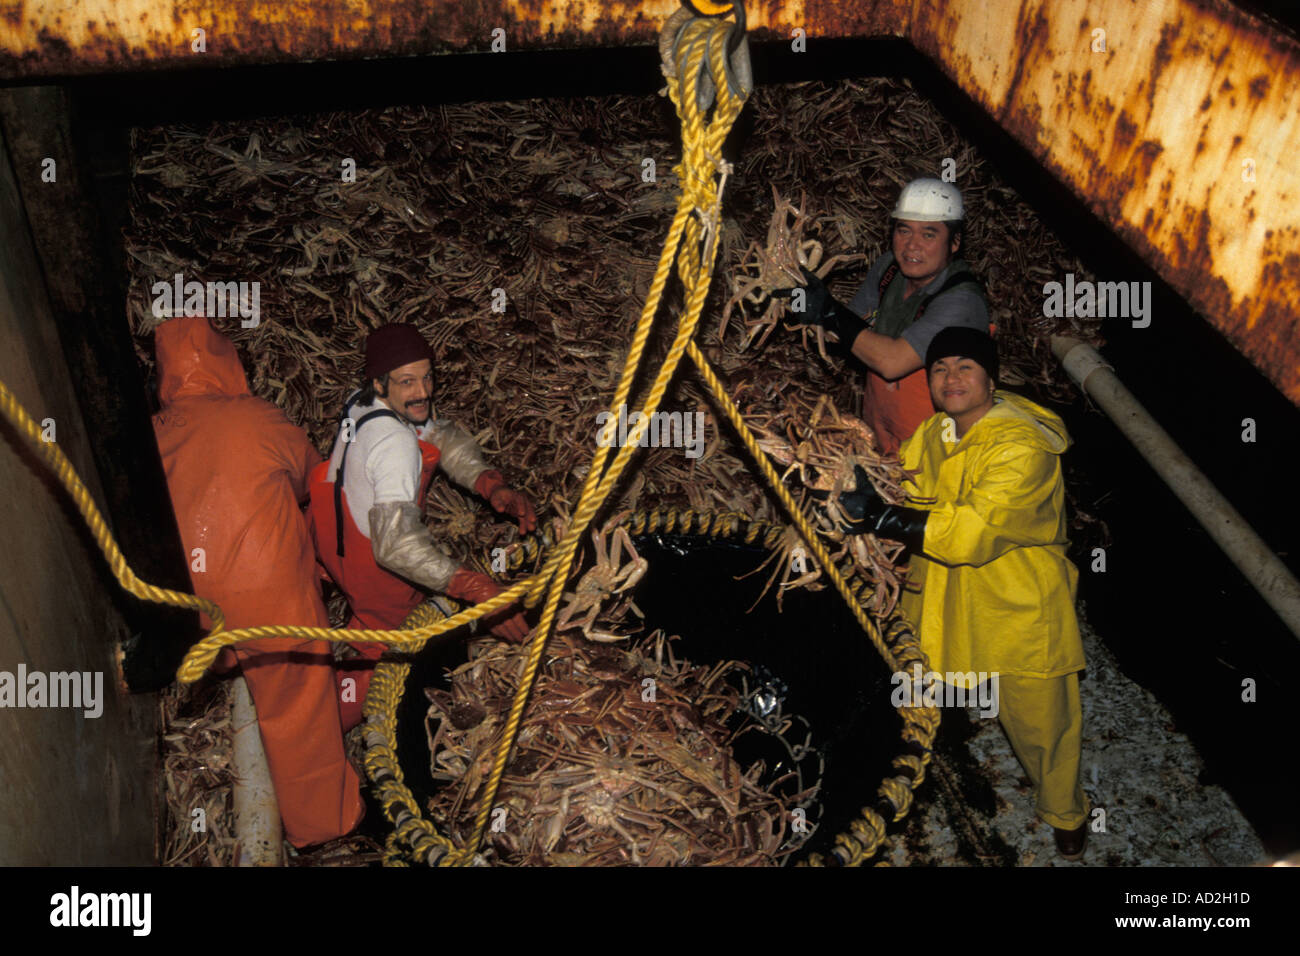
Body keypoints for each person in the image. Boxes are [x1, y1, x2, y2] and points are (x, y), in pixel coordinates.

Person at [830, 327, 1089, 859]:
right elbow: (906, 484)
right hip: (943, 587)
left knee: (1041, 718)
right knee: (915, 685)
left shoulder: (1023, 445)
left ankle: (1065, 812)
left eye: (965, 367)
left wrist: (885, 518)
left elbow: (976, 529)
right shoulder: (935, 431)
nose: (951, 378)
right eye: (940, 368)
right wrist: (862, 486)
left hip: (1015, 598)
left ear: (991, 379)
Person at [152, 315, 363, 849]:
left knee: (220, 651)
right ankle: (324, 824)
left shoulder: (148, 434)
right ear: (227, 363)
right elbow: (316, 479)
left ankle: (227, 670)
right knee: (299, 704)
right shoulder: (257, 416)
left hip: (190, 612)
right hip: (270, 603)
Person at [307, 323, 536, 731]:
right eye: (408, 381)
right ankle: (319, 730)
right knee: (387, 649)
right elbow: (395, 546)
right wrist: (476, 589)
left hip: (329, 530)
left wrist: (488, 482)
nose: (424, 391)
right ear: (381, 382)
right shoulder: (395, 446)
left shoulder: (362, 401)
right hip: (374, 564)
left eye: (428, 377)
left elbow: (438, 434)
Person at [797, 178, 990, 454]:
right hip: (880, 423)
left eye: (928, 235)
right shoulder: (889, 269)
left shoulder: (961, 301)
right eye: (903, 230)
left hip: (936, 444)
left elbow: (891, 362)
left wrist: (828, 310)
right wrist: (804, 304)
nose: (911, 246)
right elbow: (849, 329)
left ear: (955, 242)